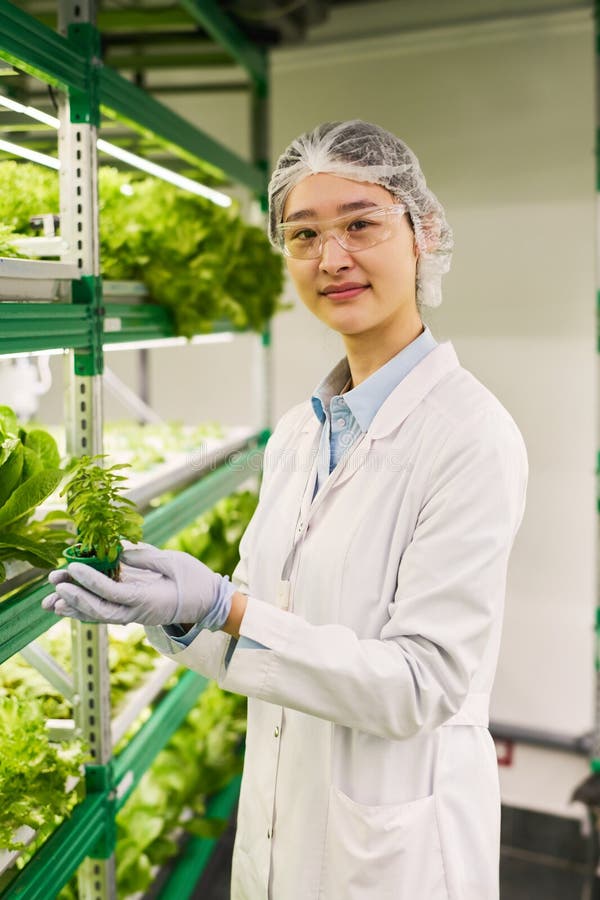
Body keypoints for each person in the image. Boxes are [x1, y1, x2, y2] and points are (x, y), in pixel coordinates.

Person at [44, 120, 528, 900]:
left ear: (422, 233)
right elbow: (260, 648)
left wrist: (227, 607)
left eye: (360, 225)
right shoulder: (301, 433)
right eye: (303, 235)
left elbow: (420, 685)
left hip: (394, 857)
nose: (331, 258)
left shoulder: (471, 438)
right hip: (278, 839)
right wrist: (174, 614)